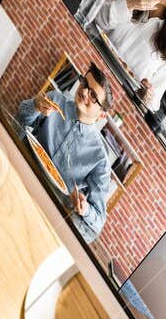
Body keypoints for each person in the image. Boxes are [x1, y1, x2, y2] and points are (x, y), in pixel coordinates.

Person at [16, 66, 114, 244]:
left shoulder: (100, 159)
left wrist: (84, 208)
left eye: (93, 96)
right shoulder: (55, 100)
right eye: (84, 83)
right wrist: (35, 106)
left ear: (101, 114)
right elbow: (21, 118)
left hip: (48, 208)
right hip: (21, 168)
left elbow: (98, 221)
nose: (84, 92)